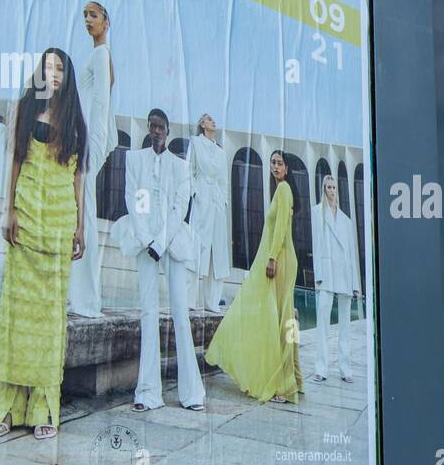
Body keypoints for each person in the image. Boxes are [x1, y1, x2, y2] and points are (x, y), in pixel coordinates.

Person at [0, 48, 87, 441]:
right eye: (48, 66)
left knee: (48, 320)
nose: (54, 73)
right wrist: (8, 210)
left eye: (60, 67)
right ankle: (9, 406)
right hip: (26, 218)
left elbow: (78, 176)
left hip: (59, 221)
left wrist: (79, 226)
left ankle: (45, 407)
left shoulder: (75, 119)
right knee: (15, 315)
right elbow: (14, 162)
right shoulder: (25, 109)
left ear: (68, 75)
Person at [112, 108, 204, 412]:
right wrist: (147, 240)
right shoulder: (134, 160)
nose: (156, 131)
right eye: (152, 126)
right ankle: (148, 393)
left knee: (180, 312)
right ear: (148, 129)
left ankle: (192, 395)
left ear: (168, 130)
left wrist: (161, 242)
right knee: (148, 313)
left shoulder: (180, 167)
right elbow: (133, 199)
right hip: (144, 243)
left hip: (172, 244)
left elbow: (180, 208)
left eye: (161, 127)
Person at [205, 150, 304, 404]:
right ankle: (294, 379)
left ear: (287, 168)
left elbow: (281, 226)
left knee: (281, 320)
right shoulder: (280, 190)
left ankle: (282, 384)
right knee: (287, 318)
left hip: (280, 259)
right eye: (272, 162)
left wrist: (271, 257)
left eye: (280, 163)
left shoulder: (283, 191)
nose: (275, 166)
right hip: (282, 257)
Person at [67, 1, 117, 319]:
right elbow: (108, 85)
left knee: (84, 208)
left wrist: (88, 141)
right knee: (80, 208)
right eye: (85, 15)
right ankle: (82, 297)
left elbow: (101, 99)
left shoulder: (101, 54)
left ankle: (86, 301)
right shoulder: (101, 55)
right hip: (88, 137)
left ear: (106, 21)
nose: (87, 19)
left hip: (89, 139)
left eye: (93, 15)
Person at [309, 174, 360, 383]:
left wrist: (355, 283)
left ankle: (345, 369)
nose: (331, 190)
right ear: (323, 189)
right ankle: (321, 369)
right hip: (327, 274)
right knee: (322, 323)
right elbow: (316, 244)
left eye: (333, 187)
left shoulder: (346, 220)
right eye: (328, 187)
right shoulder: (317, 213)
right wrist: (318, 276)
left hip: (344, 274)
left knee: (345, 325)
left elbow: (351, 252)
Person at [188, 114, 230, 313]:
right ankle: (188, 299)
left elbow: (224, 181)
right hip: (202, 200)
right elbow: (190, 171)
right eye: (209, 119)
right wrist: (195, 193)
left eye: (214, 119)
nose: (214, 121)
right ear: (202, 124)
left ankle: (212, 302)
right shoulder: (195, 143)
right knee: (197, 248)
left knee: (217, 254)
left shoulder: (221, 153)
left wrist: (223, 201)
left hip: (217, 205)